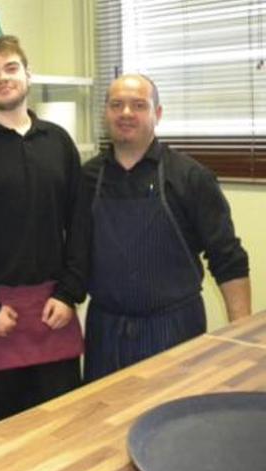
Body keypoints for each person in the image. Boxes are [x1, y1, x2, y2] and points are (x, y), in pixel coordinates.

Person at [70, 74, 251, 381]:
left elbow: (228, 259)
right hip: (105, 332)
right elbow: (75, 254)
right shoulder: (87, 178)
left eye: (138, 105)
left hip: (174, 330)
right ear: (105, 113)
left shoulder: (191, 177)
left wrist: (241, 339)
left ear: (158, 113)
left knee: (173, 411)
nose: (126, 113)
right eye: (117, 105)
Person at [0, 36, 85, 427]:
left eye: (10, 68)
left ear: (28, 74)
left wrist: (69, 293)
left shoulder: (58, 142)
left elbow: (79, 225)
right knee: (0, 445)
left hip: (53, 314)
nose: (2, 78)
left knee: (64, 435)